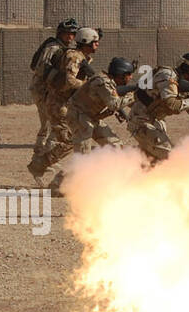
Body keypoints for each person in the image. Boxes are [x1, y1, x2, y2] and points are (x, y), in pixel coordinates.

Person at [37, 57, 136, 195]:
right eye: (128, 75)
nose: (130, 78)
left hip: (91, 117)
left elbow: (115, 98)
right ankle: (57, 185)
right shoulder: (103, 82)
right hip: (80, 117)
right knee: (83, 158)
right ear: (120, 74)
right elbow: (114, 104)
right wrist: (135, 94)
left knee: (116, 147)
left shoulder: (109, 83)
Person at [27, 26, 99, 186]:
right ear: (85, 42)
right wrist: (89, 86)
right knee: (69, 140)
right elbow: (69, 81)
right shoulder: (74, 57)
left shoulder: (82, 57)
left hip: (66, 104)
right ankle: (39, 165)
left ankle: (41, 164)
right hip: (58, 105)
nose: (97, 45)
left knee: (67, 138)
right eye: (94, 42)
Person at [128, 52, 189, 164]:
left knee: (154, 160)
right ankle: (120, 162)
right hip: (140, 121)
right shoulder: (168, 76)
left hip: (155, 122)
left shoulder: (185, 85)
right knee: (172, 157)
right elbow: (172, 105)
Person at [27, 18, 79, 163]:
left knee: (47, 125)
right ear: (60, 34)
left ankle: (39, 155)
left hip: (46, 90)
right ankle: (42, 159)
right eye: (67, 34)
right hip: (43, 90)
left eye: (73, 34)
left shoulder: (62, 48)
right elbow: (41, 69)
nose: (70, 37)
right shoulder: (53, 48)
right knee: (52, 124)